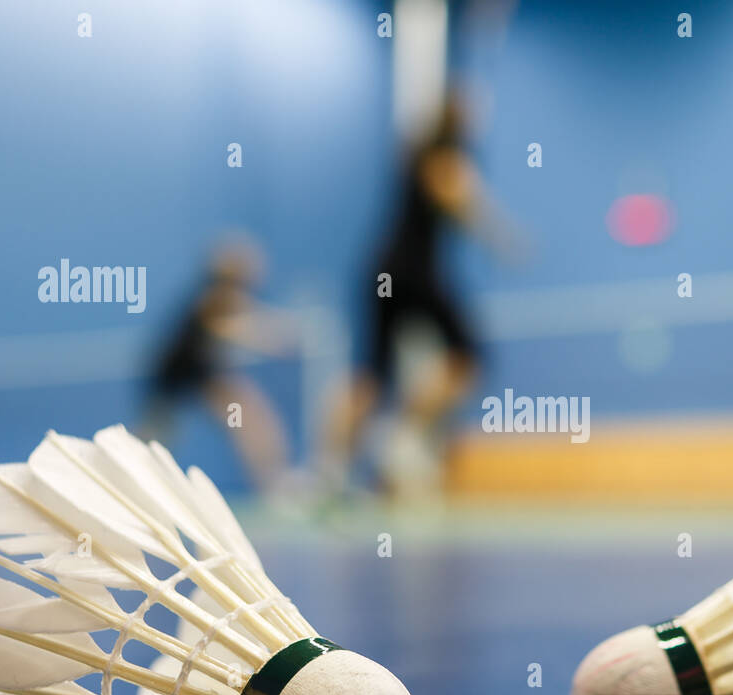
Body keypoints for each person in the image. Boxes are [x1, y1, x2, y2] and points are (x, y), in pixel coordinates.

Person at [321, 91, 522, 496]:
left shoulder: (424, 152)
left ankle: (343, 464)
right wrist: (502, 235)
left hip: (388, 272)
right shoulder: (440, 153)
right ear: (457, 117)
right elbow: (455, 195)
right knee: (466, 359)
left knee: (375, 376)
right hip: (410, 273)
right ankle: (378, 447)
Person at [139, 236, 291, 491]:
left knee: (251, 418)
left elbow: (253, 317)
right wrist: (269, 339)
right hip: (176, 374)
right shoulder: (211, 300)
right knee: (153, 438)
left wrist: (277, 329)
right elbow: (230, 329)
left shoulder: (231, 298)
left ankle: (274, 481)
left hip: (204, 375)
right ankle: (127, 481)